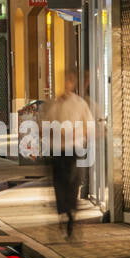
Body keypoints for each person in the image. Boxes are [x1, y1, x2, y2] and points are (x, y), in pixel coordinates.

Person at [42, 69, 95, 239]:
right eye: (64, 81)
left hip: (73, 147)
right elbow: (46, 126)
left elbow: (89, 125)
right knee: (61, 182)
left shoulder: (79, 103)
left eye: (68, 81)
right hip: (58, 149)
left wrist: (76, 133)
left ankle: (69, 211)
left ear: (72, 84)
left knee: (72, 181)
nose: (66, 85)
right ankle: (65, 212)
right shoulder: (55, 104)